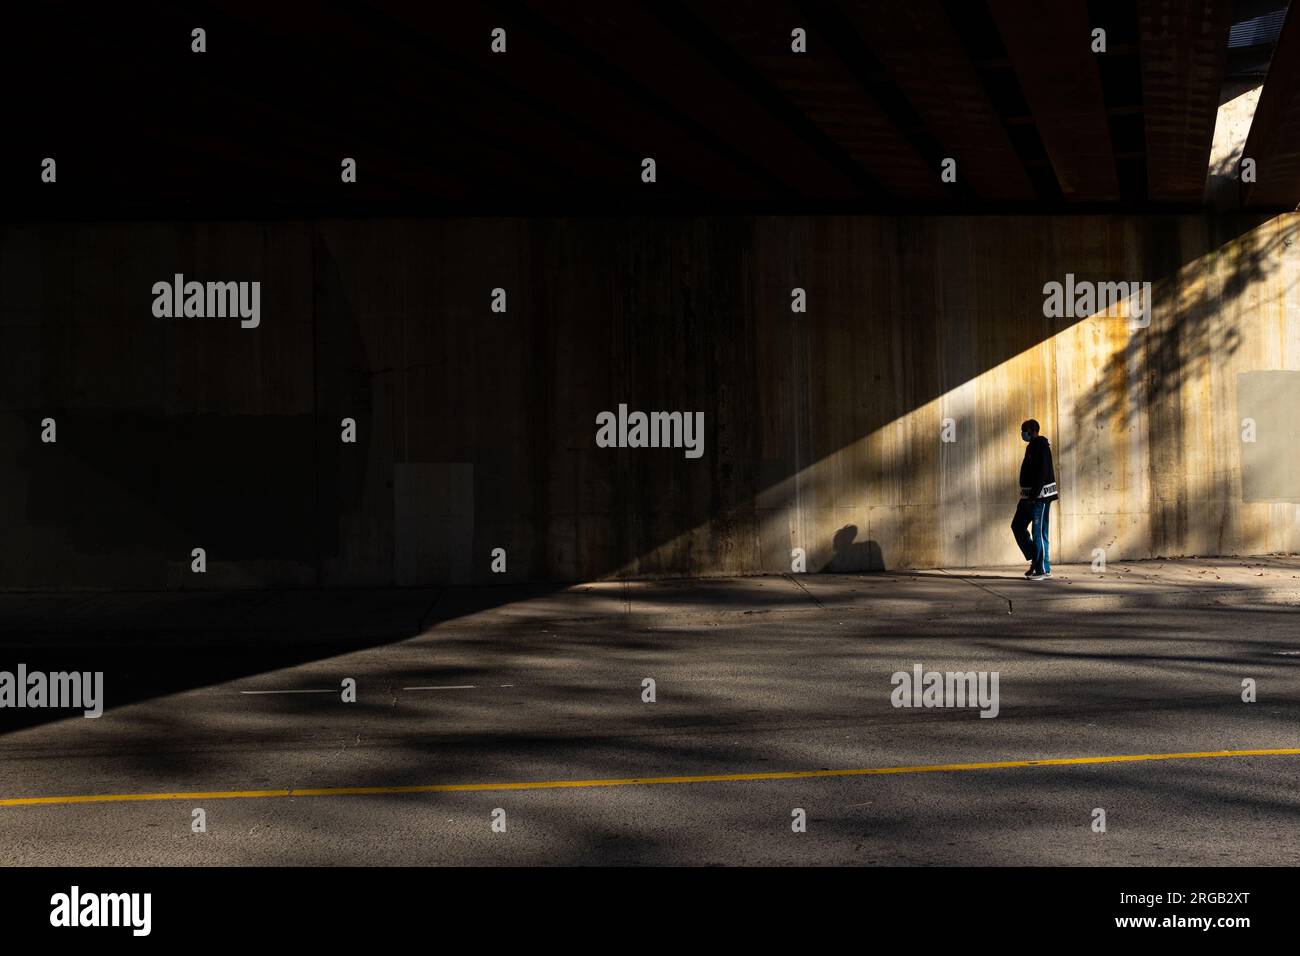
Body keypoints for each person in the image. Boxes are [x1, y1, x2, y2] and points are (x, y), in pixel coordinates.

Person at [1011, 419, 1058, 580]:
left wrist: (1033, 496)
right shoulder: (1031, 446)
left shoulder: (1042, 446)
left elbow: (1042, 472)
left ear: (1032, 430)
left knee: (1038, 533)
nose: (1022, 434)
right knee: (1017, 526)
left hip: (1039, 498)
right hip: (1027, 498)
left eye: (1023, 430)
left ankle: (1043, 570)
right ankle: (1035, 558)